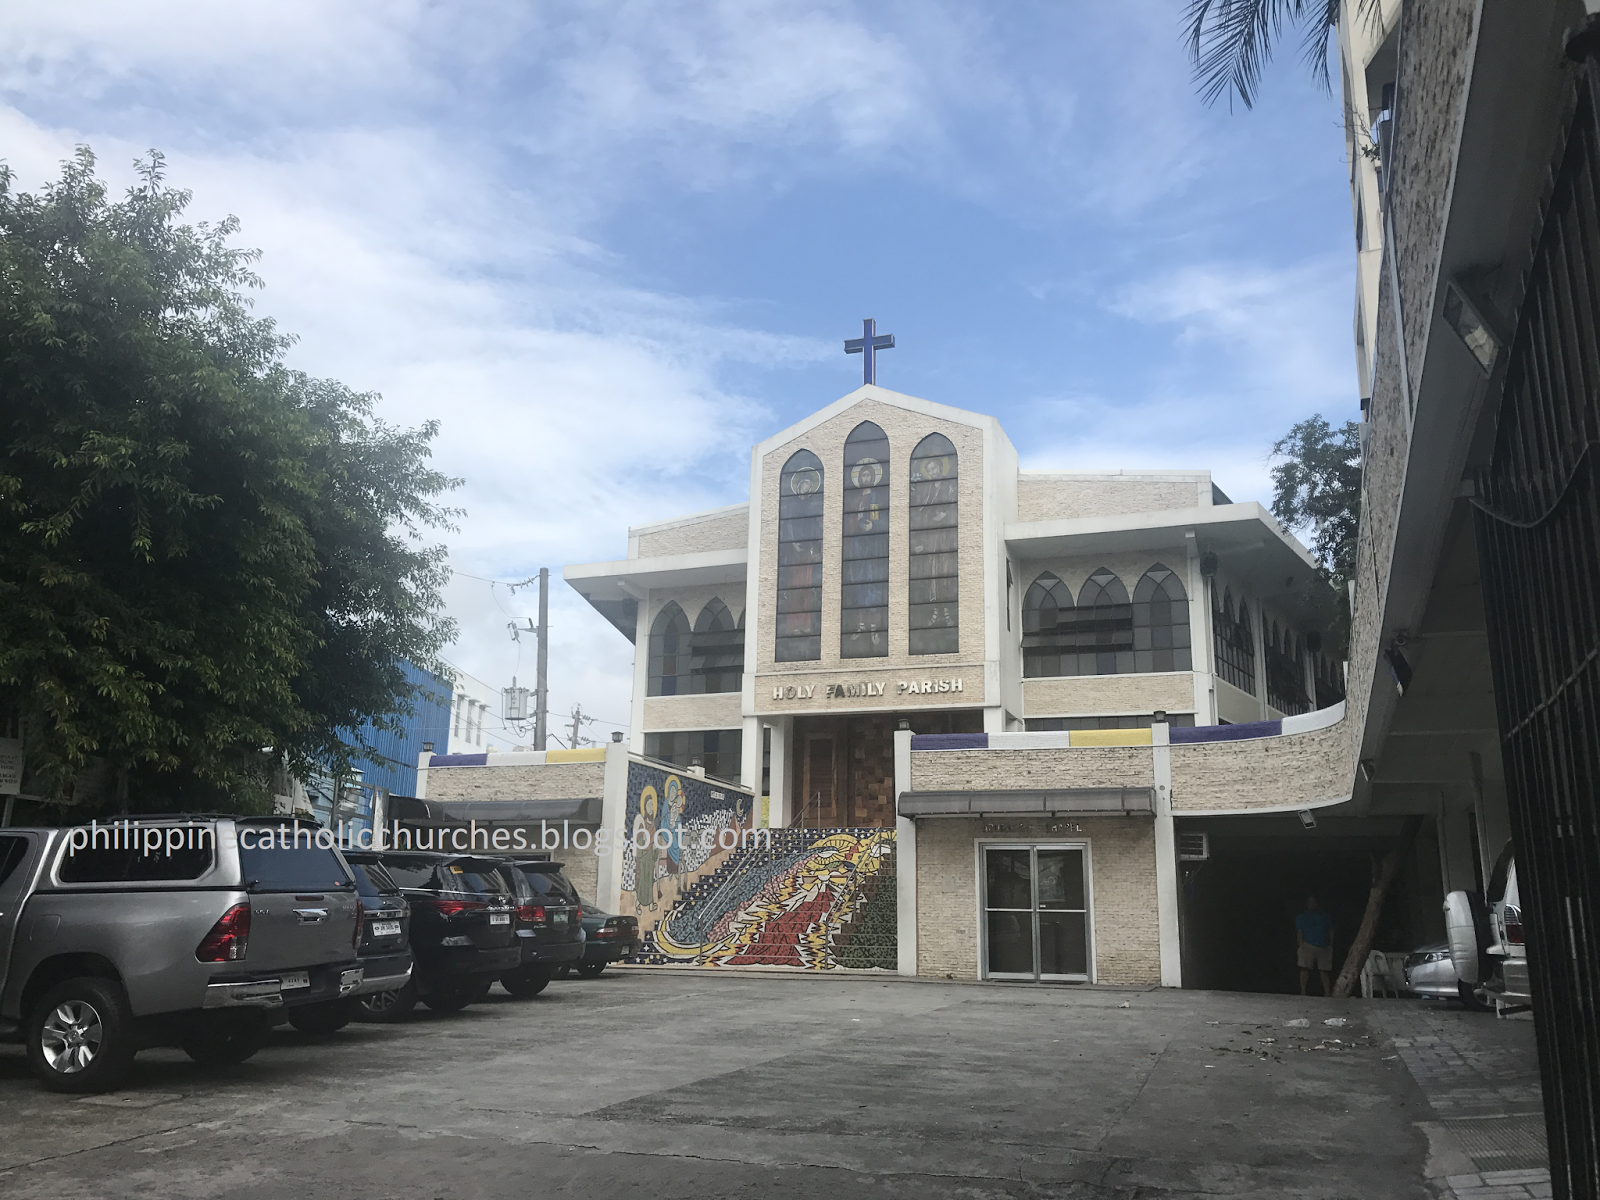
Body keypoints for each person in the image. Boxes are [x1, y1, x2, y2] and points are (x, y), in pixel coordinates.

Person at [1296, 895, 1335, 996]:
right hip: (1308, 945)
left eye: (1314, 902)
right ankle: (1303, 991)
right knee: (1304, 969)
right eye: (1310, 902)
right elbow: (1299, 932)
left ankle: (1327, 992)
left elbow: (1331, 930)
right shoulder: (1302, 916)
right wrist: (1301, 945)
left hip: (1323, 946)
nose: (1312, 904)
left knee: (1324, 970)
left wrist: (1330, 944)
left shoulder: (1324, 916)